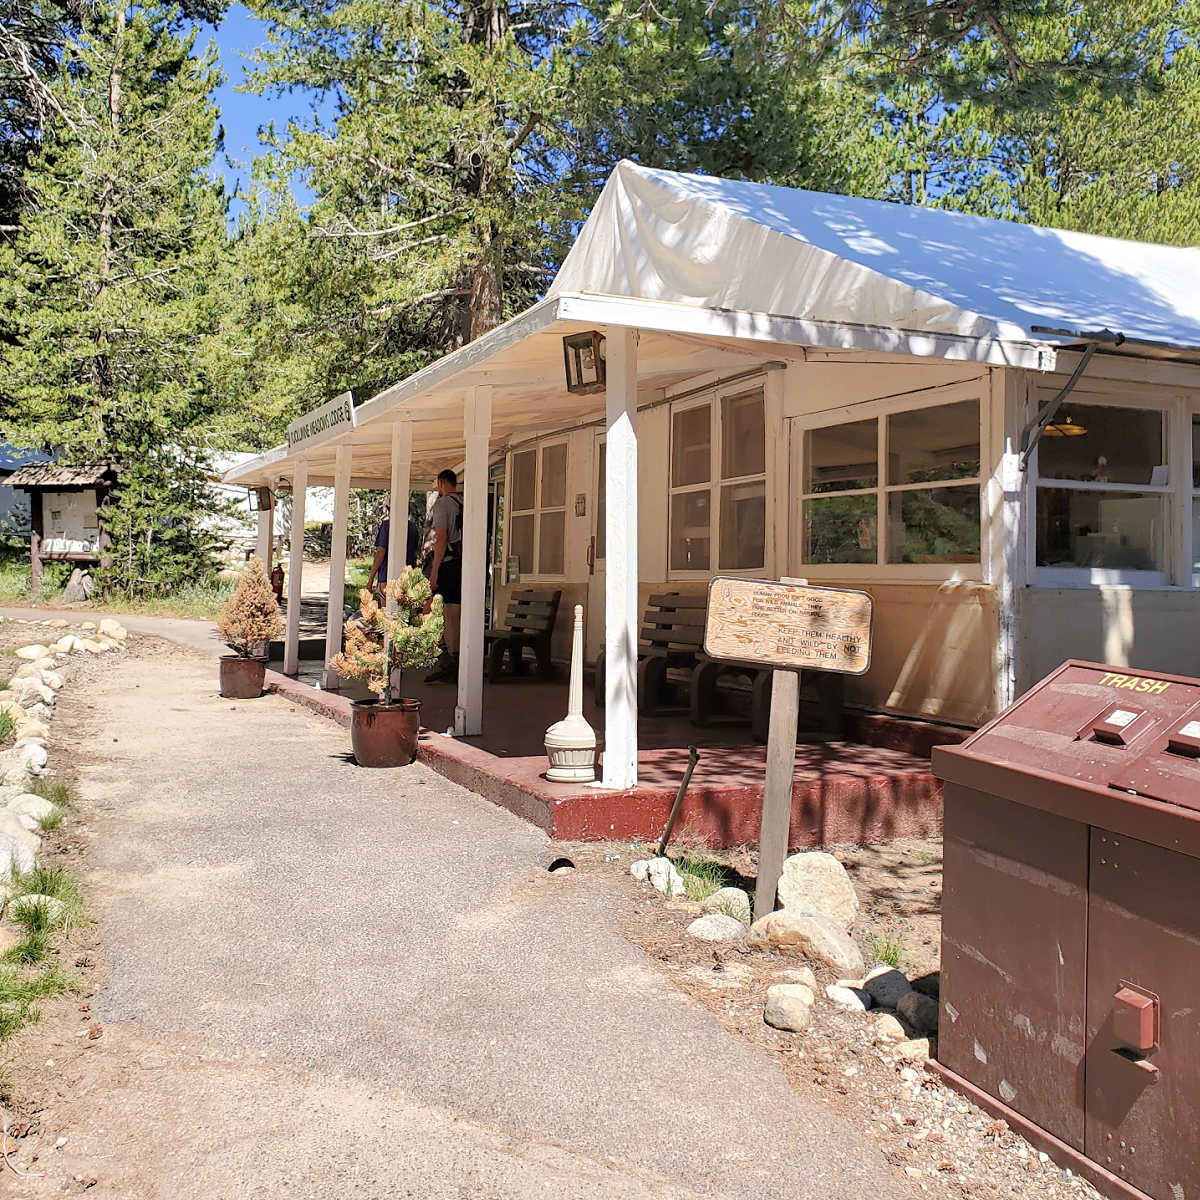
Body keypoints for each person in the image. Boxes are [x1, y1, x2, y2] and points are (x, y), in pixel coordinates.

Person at [424, 468, 464, 682]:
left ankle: (447, 660)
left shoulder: (443, 504)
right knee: (456, 613)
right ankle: (458, 660)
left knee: (440, 612)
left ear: (440, 483)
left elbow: (441, 538)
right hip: (464, 564)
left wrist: (435, 571)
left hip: (448, 564)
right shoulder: (463, 503)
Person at [366, 506, 420, 598]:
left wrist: (371, 579)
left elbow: (380, 552)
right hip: (407, 576)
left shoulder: (386, 526)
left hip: (387, 576)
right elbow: (414, 554)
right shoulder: (413, 528)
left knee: (387, 610)